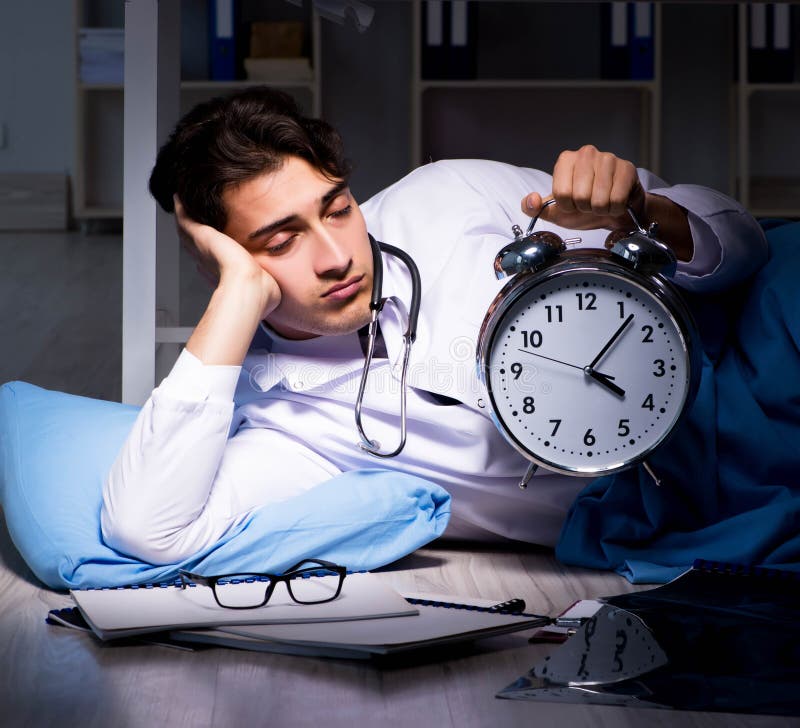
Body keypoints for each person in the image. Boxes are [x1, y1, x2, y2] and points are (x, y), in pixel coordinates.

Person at [101, 87, 768, 565]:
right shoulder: (286, 430)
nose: (336, 258)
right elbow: (146, 526)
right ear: (218, 259)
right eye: (280, 241)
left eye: (335, 209)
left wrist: (638, 213)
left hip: (751, 358)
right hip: (703, 502)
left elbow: (744, 241)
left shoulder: (446, 194)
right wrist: (236, 294)